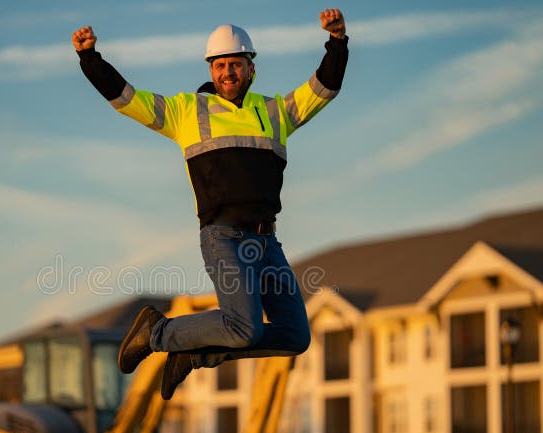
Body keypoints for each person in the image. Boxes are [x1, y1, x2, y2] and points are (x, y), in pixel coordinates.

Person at [72, 9, 348, 400]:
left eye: (235, 64)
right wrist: (90, 58)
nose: (227, 73)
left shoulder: (275, 113)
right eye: (220, 65)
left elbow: (324, 88)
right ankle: (157, 332)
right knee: (245, 328)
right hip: (224, 239)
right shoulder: (188, 111)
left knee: (295, 336)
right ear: (211, 69)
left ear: (251, 68)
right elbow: (126, 99)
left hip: (266, 243)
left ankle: (194, 354)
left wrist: (337, 41)